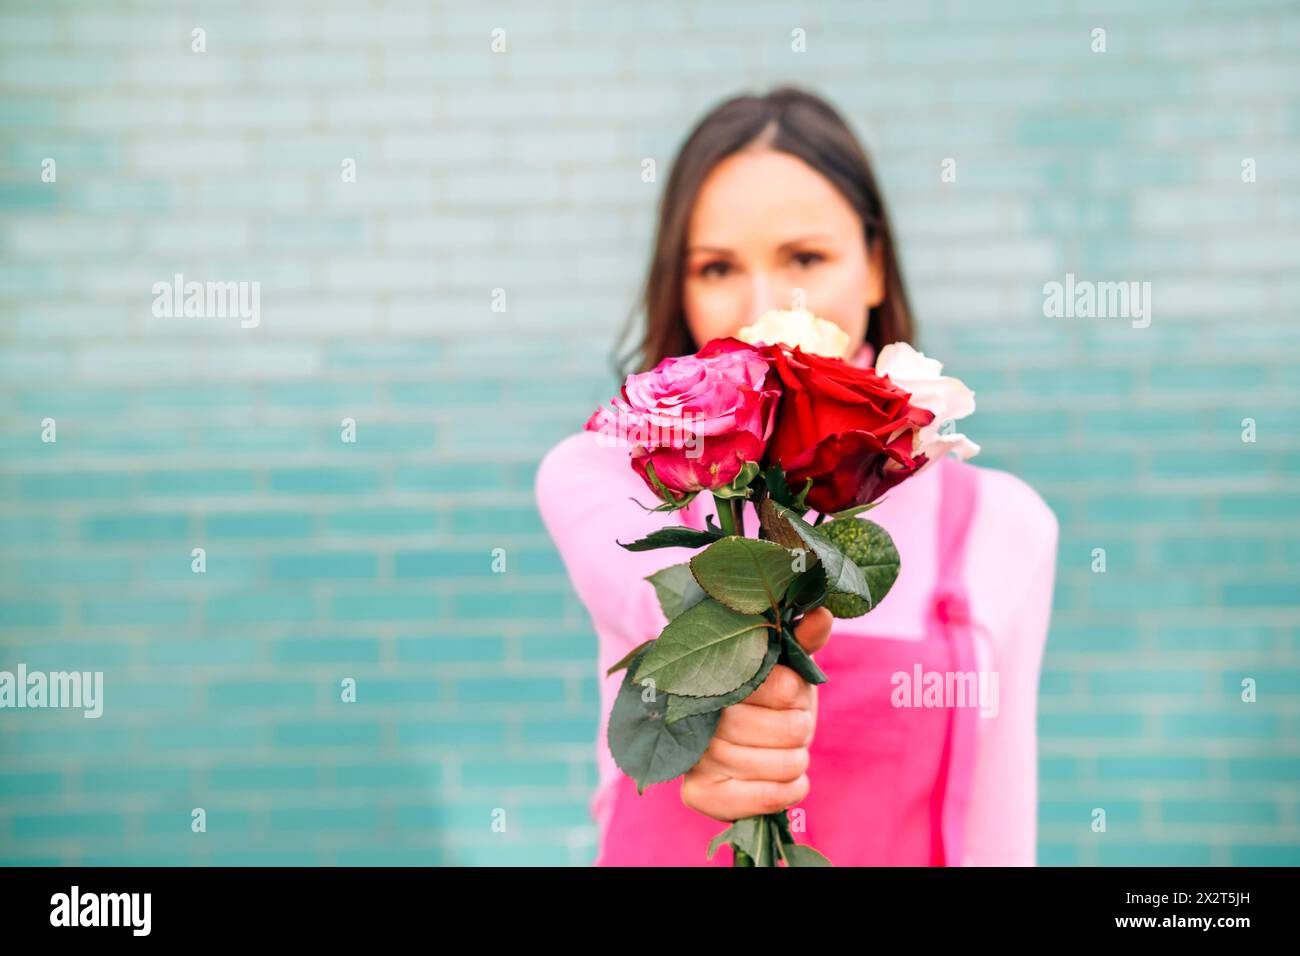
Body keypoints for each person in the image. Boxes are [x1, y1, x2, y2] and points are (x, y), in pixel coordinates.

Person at [535, 86, 1059, 866]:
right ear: (679, 289)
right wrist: (721, 725)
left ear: (876, 269)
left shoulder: (1007, 527)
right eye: (716, 267)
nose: (762, 307)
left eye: (805, 259)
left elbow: (997, 832)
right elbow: (666, 615)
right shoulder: (610, 481)